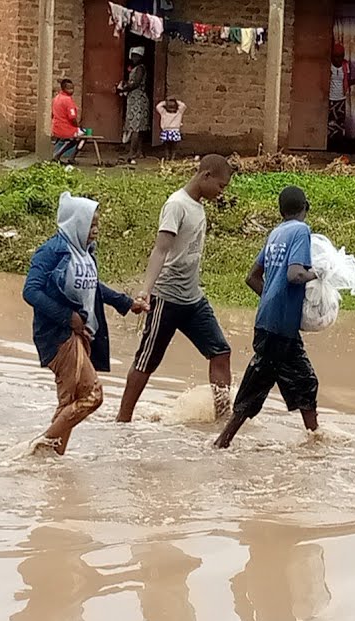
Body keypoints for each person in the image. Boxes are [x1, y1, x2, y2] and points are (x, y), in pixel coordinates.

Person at [22, 192, 146, 455]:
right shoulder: (51, 252)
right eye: (91, 225)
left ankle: (51, 460)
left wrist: (126, 303)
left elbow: (94, 288)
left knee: (69, 401)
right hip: (59, 335)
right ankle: (40, 445)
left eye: (96, 224)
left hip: (80, 335)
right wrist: (67, 317)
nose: (95, 231)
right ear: (75, 223)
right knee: (92, 397)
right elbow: (30, 292)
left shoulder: (83, 254)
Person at [117, 154, 235, 423]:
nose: (221, 193)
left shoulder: (198, 206)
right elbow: (160, 250)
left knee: (221, 351)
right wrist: (145, 291)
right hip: (167, 298)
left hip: (193, 299)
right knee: (147, 361)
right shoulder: (176, 205)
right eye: (220, 186)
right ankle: (122, 421)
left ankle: (223, 419)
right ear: (205, 176)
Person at [214, 186, 320, 449]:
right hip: (280, 326)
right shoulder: (300, 231)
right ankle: (221, 442)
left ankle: (316, 438)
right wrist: (318, 274)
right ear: (305, 207)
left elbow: (252, 277)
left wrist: (271, 298)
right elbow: (295, 274)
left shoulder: (276, 233)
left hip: (270, 321)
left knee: (303, 381)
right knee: (258, 384)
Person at [117, 46, 151, 163]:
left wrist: (123, 87)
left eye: (136, 56)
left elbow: (135, 83)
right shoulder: (137, 68)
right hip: (137, 98)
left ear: (139, 57)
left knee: (135, 127)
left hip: (138, 99)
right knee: (138, 127)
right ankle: (139, 152)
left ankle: (132, 152)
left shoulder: (140, 69)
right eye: (133, 56)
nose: (134, 58)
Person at [51, 78, 83, 164]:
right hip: (66, 129)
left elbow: (52, 114)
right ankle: (69, 157)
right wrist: (77, 126)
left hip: (56, 127)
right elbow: (72, 118)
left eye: (72, 88)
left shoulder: (56, 98)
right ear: (63, 89)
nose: (71, 91)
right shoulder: (68, 100)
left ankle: (58, 155)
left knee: (74, 137)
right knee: (82, 137)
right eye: (69, 88)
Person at [327, 43, 351, 148]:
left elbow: (348, 79)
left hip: (341, 99)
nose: (338, 59)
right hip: (330, 99)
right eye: (336, 56)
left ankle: (339, 145)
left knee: (340, 124)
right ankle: (329, 144)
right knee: (330, 123)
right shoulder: (329, 66)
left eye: (341, 56)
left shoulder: (345, 66)